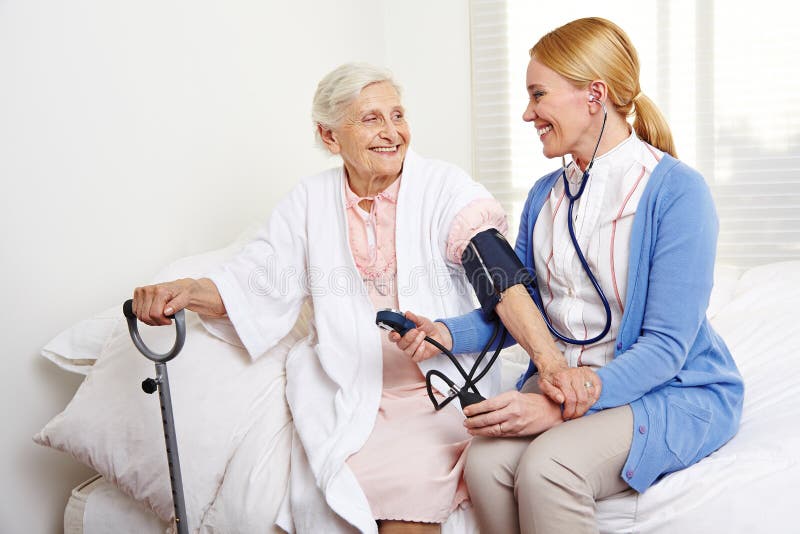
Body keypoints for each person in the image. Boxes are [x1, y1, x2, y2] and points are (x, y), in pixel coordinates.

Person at [390, 17, 744, 534]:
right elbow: (526, 313)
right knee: (485, 464)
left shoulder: (676, 193)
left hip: (667, 389)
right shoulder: (544, 197)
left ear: (595, 95)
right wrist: (444, 333)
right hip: (573, 385)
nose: (526, 113)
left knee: (549, 468)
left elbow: (667, 346)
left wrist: (561, 405)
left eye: (538, 95)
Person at [130, 62, 508, 534]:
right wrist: (187, 290)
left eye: (397, 115)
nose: (392, 132)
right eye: (371, 119)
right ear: (330, 137)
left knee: (406, 513)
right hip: (351, 391)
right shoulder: (308, 200)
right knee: (337, 501)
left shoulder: (444, 186)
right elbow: (255, 282)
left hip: (436, 389)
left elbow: (499, 279)